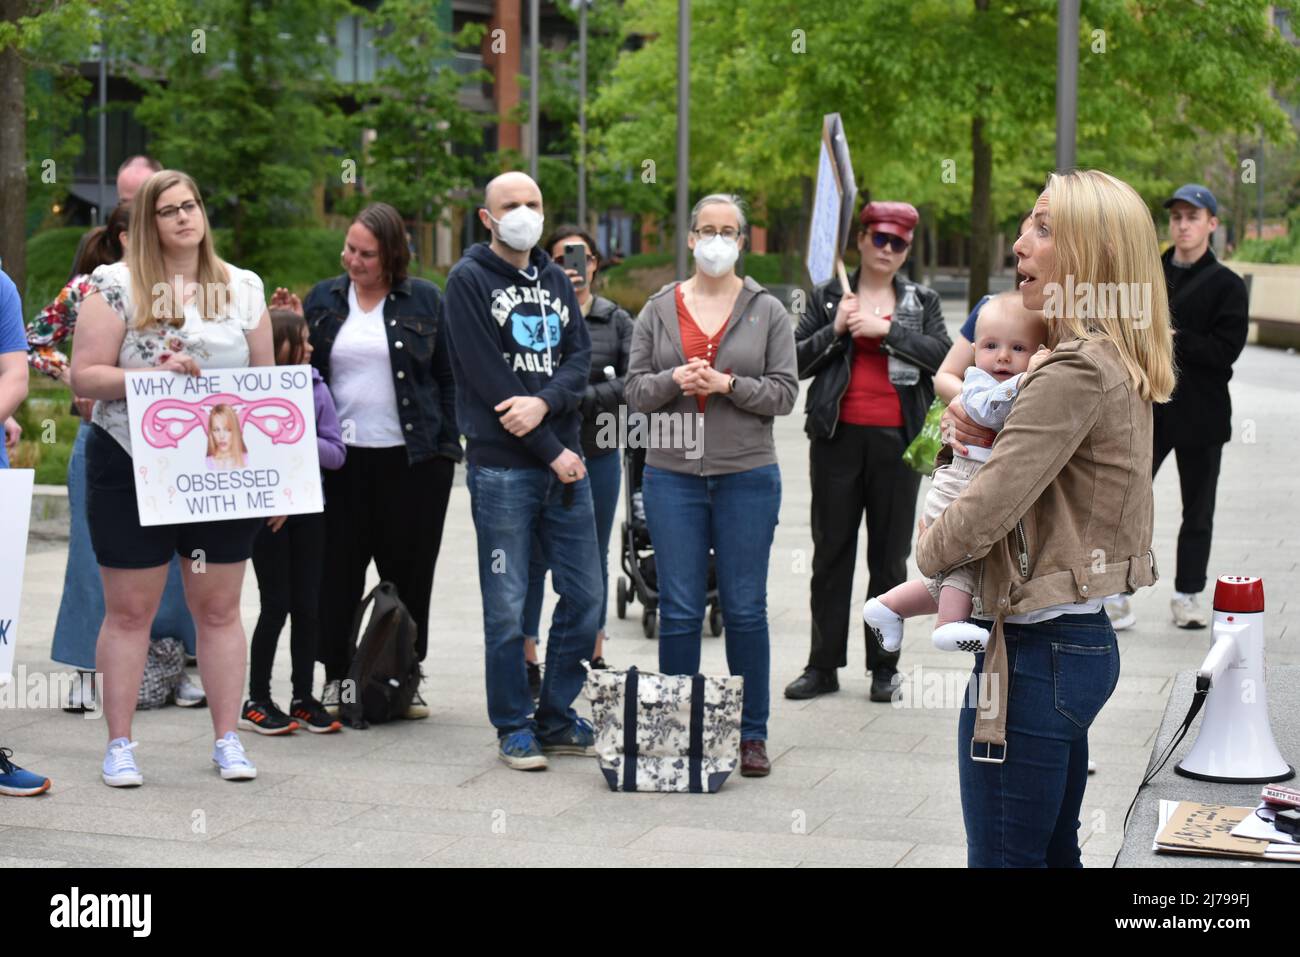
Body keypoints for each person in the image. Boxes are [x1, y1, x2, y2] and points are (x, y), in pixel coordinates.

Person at [915, 169, 1172, 867]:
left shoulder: (1073, 368)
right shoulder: (1095, 356)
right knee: (1054, 853)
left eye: (1043, 228)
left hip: (1034, 653)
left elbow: (987, 507)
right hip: (1066, 642)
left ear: (1091, 256)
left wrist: (930, 549)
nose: (1021, 243)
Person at [71, 169, 273, 786]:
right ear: (145, 223)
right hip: (131, 462)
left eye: (192, 206)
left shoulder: (242, 287)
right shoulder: (114, 285)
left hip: (219, 471)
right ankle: (120, 745)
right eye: (168, 210)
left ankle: (228, 738)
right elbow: (85, 377)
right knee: (129, 612)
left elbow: (264, 387)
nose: (185, 217)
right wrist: (155, 381)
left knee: (218, 609)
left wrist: (273, 481)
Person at [626, 193, 798, 777]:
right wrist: (675, 378)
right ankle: (676, 727)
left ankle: (751, 734)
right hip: (672, 474)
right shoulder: (657, 309)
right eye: (707, 229)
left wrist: (727, 384)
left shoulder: (767, 310)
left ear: (742, 242)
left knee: (745, 608)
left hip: (746, 474)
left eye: (729, 230)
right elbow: (634, 391)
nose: (717, 239)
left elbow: (783, 393)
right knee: (677, 609)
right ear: (691, 239)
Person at [444, 171, 601, 771]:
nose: (524, 213)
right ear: (487, 218)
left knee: (586, 597)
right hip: (506, 471)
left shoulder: (557, 278)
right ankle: (514, 724)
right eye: (510, 205)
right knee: (507, 605)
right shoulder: (467, 280)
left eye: (533, 203)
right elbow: (488, 379)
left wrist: (547, 403)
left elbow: (579, 357)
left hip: (562, 463)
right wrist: (550, 447)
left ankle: (556, 715)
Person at [26, 203, 201, 712]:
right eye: (159, 220)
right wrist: (72, 378)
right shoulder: (90, 287)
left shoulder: (189, 287)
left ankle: (169, 665)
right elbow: (36, 341)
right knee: (92, 554)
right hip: (105, 436)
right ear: (127, 236)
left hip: (173, 442)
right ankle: (87, 668)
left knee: (173, 556)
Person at [783, 201, 952, 703]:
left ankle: (884, 667)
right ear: (860, 239)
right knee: (831, 554)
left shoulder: (921, 300)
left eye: (897, 243)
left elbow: (944, 357)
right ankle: (822, 664)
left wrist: (889, 333)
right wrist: (836, 331)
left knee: (890, 558)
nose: (886, 249)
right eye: (879, 238)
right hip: (837, 439)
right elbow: (793, 361)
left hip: (898, 445)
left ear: (906, 250)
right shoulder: (829, 296)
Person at [299, 203, 460, 721]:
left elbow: (449, 378)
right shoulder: (322, 299)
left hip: (412, 463)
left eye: (367, 254)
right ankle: (335, 678)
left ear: (392, 256)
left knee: (409, 575)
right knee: (336, 574)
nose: (353, 260)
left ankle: (401, 674)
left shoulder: (427, 300)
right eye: (349, 248)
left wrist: (446, 449)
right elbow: (298, 369)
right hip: (339, 464)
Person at [865, 293, 1050, 653]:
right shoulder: (979, 381)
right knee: (966, 559)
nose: (1003, 356)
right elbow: (990, 409)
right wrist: (1031, 377)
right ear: (975, 348)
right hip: (961, 484)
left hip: (976, 483)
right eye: (991, 345)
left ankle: (887, 607)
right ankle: (949, 624)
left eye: (1018, 348)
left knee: (952, 575)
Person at [1103, 184, 1248, 631]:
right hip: (1149, 409)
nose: (1183, 225)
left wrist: (1169, 337)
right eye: (1177, 217)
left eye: (1193, 216)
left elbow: (1225, 351)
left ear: (1211, 224)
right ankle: (1117, 593)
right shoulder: (1149, 274)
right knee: (1127, 502)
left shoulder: (1227, 285)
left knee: (1197, 510)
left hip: (1202, 415)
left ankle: (1188, 594)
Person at [521, 226, 633, 690]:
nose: (574, 264)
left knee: (594, 553)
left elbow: (634, 384)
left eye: (582, 257)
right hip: (539, 454)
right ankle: (527, 654)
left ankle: (594, 650)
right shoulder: (533, 316)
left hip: (599, 450)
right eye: (562, 257)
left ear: (594, 264)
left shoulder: (616, 320)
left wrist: (577, 396)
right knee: (533, 557)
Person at [241, 310, 346, 735]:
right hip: (267, 518)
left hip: (309, 511)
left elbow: (337, 454)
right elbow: (238, 451)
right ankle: (257, 699)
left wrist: (299, 435)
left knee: (308, 605)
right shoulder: (248, 392)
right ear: (276, 345)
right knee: (275, 605)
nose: (309, 347)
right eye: (300, 341)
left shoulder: (317, 390)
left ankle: (303, 696)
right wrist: (274, 495)